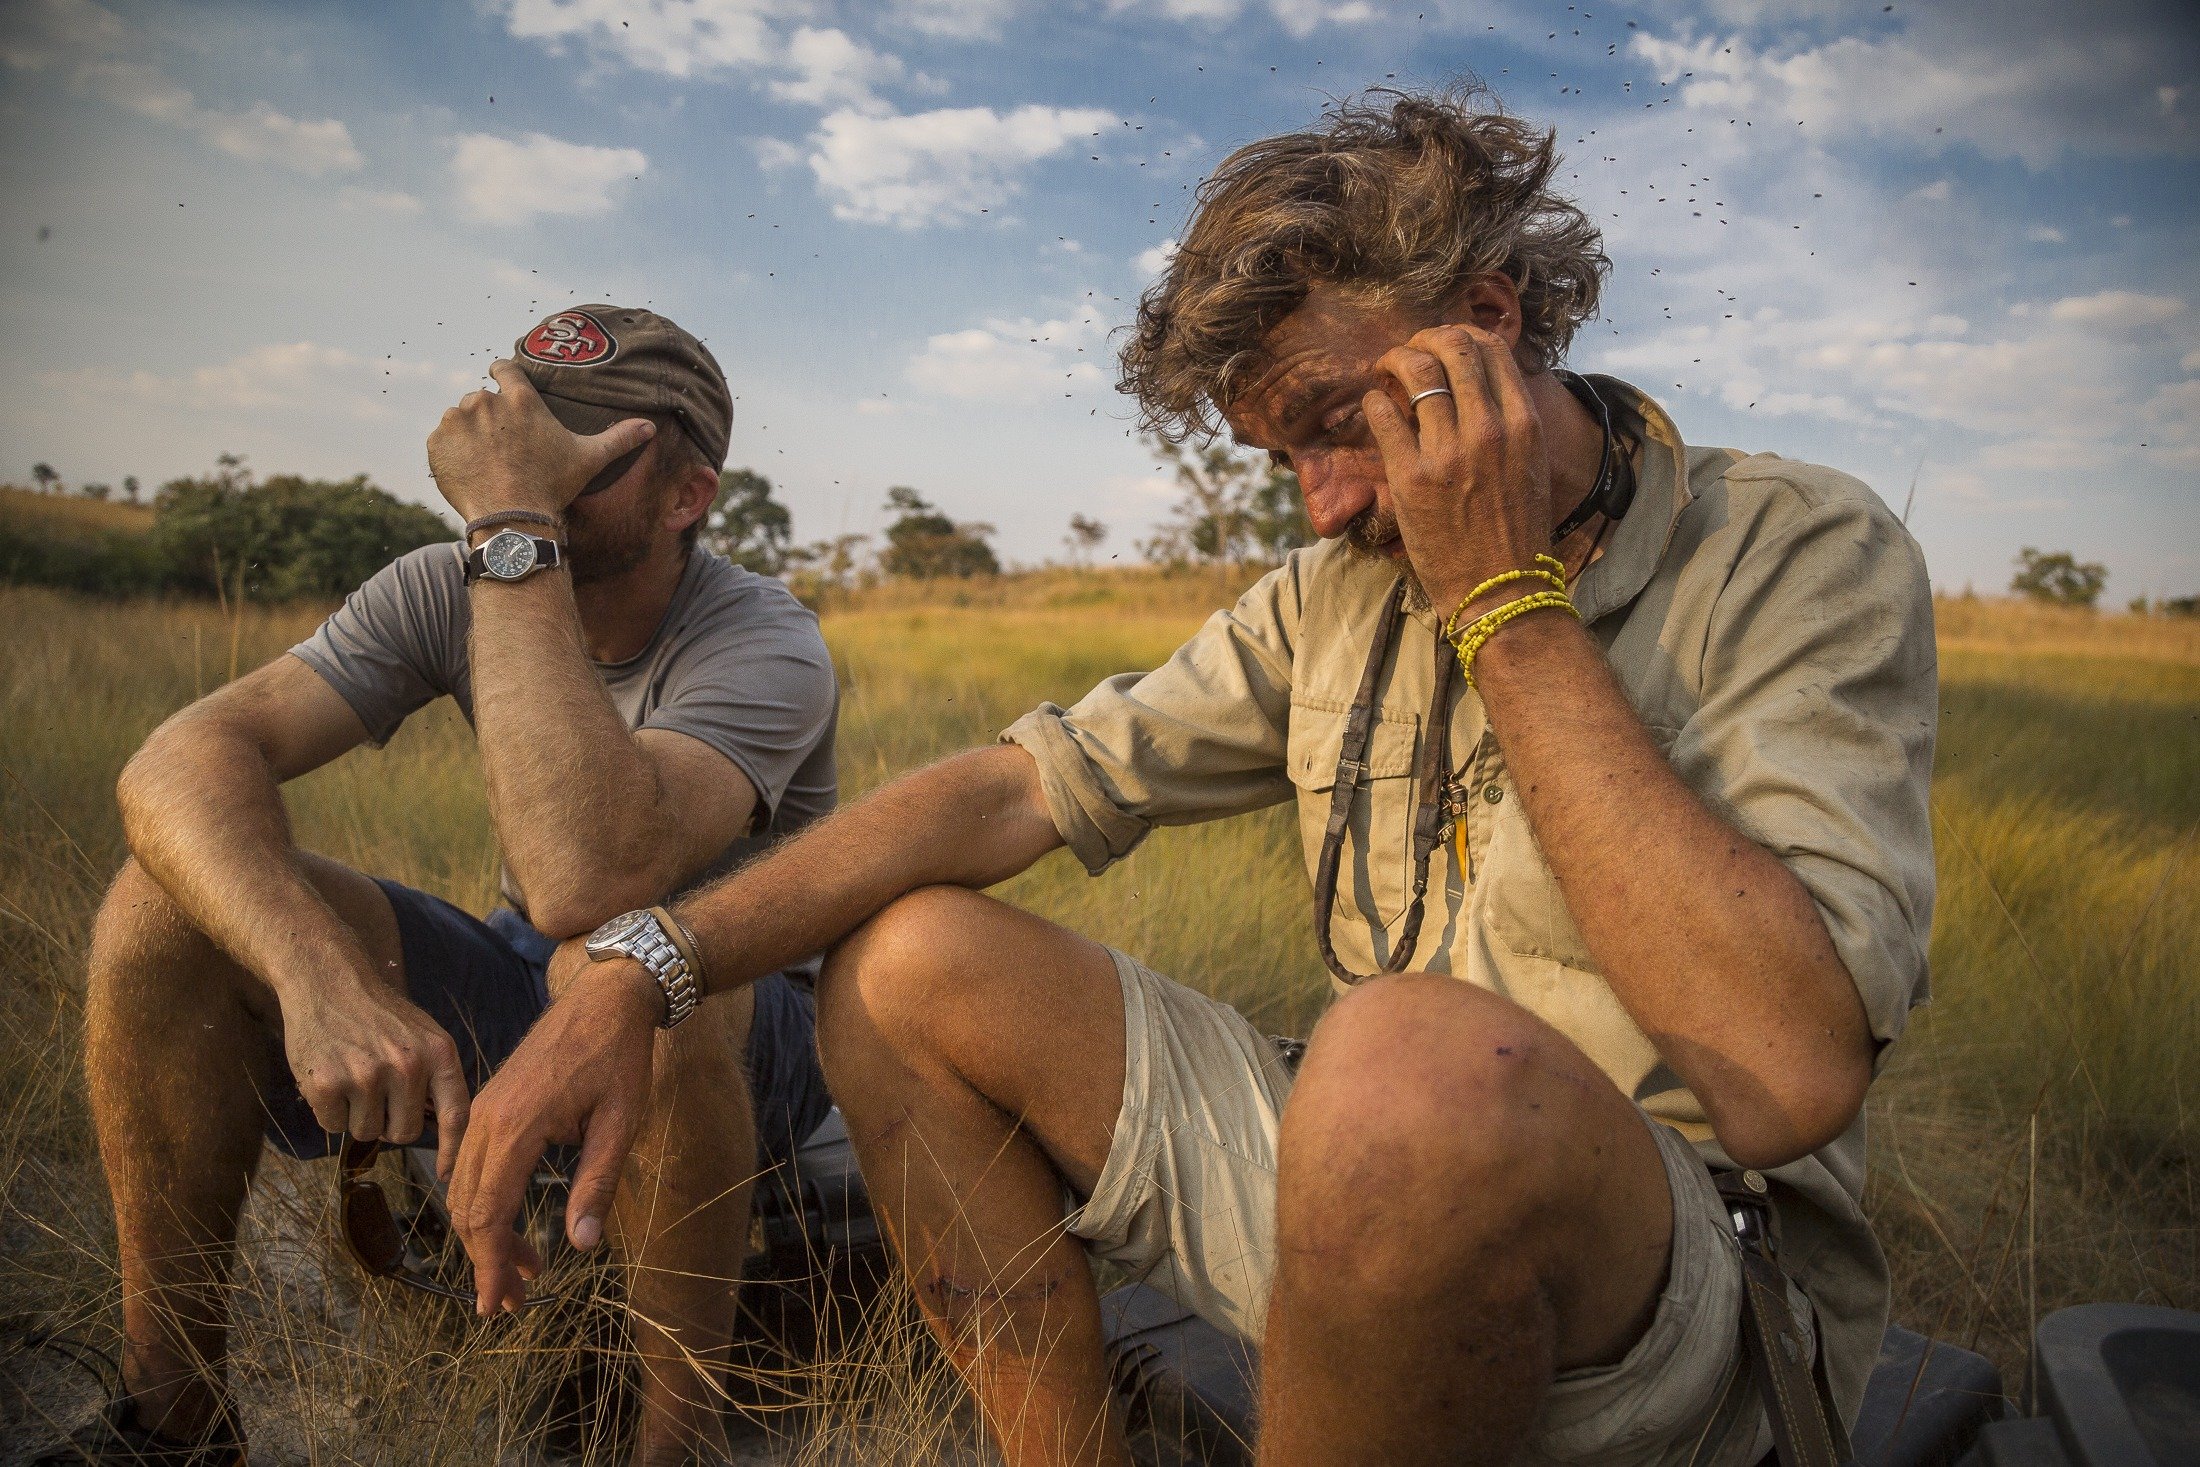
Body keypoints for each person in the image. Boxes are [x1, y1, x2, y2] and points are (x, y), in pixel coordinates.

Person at [451, 88, 1937, 1467]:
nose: (1326, 503)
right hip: (1369, 1163)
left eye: (1341, 426)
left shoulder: (1794, 548)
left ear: (1488, 323)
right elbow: (1010, 790)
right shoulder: (1336, 592)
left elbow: (1789, 1080)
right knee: (907, 962)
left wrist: (1504, 601)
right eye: (1284, 458)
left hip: (1685, 1279)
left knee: (1407, 1060)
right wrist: (648, 963)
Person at [48, 307, 838, 1467]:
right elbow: (177, 762)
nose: (532, 461)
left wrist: (514, 525)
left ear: (686, 496)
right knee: (158, 907)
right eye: (520, 427)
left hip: (746, 1032)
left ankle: (676, 1446)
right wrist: (315, 976)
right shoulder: (449, 583)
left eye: (579, 448)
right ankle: (173, 1422)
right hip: (530, 976)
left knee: (634, 961)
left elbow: (585, 882)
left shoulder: (762, 638)